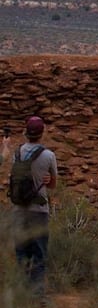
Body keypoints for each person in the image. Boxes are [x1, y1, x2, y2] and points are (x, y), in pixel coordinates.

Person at [9, 116, 57, 297]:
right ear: (42, 133)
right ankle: (37, 298)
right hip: (38, 211)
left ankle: (21, 294)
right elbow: (53, 185)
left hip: (18, 210)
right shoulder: (48, 155)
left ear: (26, 132)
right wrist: (47, 179)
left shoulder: (17, 153)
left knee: (22, 253)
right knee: (39, 254)